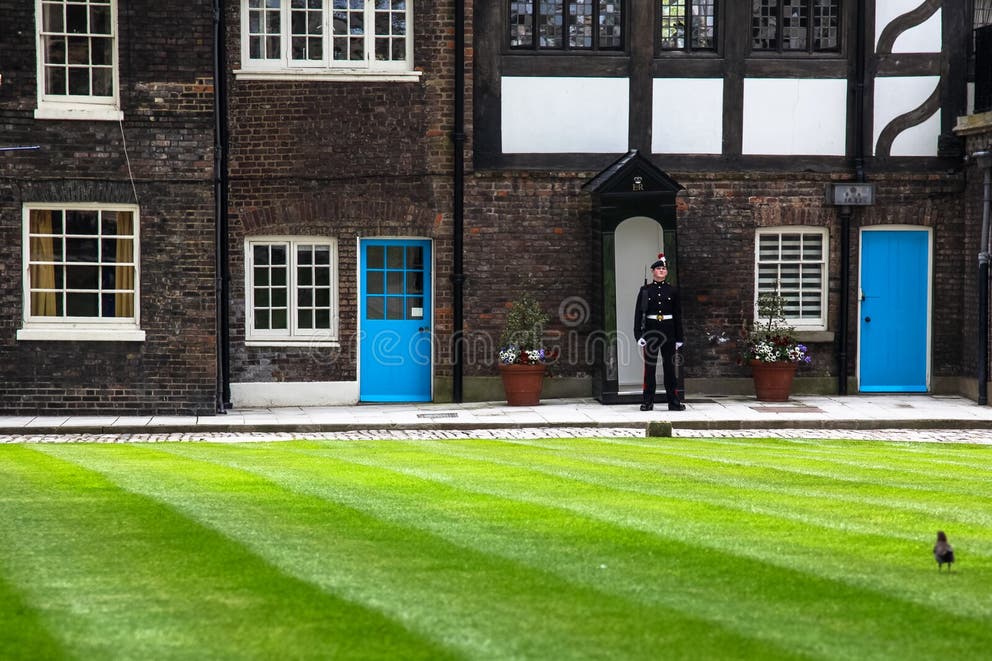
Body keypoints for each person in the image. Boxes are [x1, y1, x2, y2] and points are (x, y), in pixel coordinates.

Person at [633, 255, 685, 411]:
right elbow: (638, 314)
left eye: (663, 269)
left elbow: (677, 315)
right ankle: (647, 402)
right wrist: (639, 335)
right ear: (652, 271)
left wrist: (679, 338)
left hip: (669, 331)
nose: (661, 271)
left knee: (670, 368)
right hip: (651, 331)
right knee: (650, 369)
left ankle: (673, 402)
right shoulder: (645, 290)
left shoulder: (673, 290)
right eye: (658, 268)